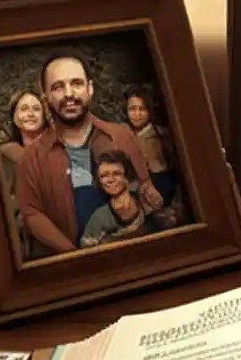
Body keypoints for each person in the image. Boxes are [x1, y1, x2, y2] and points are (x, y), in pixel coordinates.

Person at [16, 55, 166, 257]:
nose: (69, 94)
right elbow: (31, 214)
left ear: (90, 88)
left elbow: (145, 187)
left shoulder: (121, 135)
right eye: (58, 87)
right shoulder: (32, 159)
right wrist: (76, 257)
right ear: (46, 98)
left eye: (76, 84)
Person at [80, 151, 155, 247]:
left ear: (127, 177)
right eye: (104, 176)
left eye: (116, 173)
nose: (110, 179)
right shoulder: (98, 219)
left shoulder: (145, 203)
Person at [124, 85, 180, 208]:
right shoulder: (126, 135)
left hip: (159, 185)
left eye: (142, 109)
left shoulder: (159, 135)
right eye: (132, 109)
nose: (137, 114)